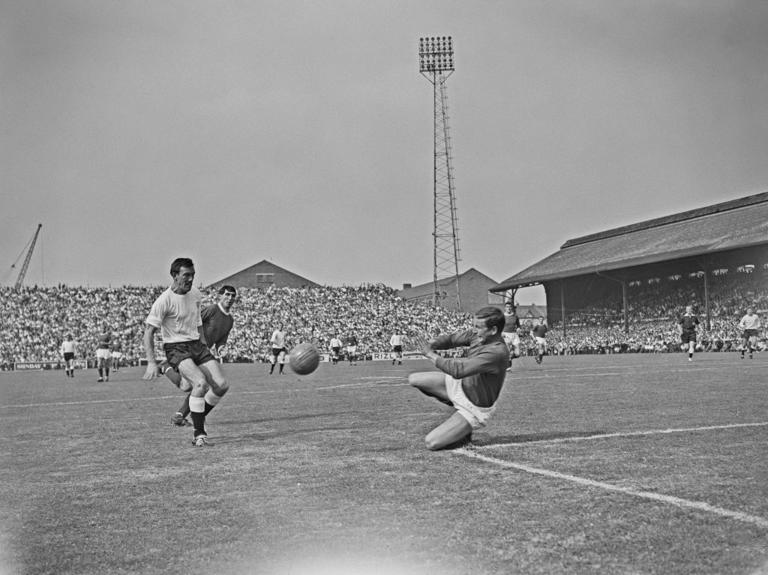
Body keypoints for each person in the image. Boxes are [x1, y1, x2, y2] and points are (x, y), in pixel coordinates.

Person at [142, 257, 230, 447]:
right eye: (186, 275)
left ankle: (197, 414)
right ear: (174, 276)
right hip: (176, 348)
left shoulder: (196, 294)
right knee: (200, 384)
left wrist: (205, 345)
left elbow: (198, 323)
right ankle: (199, 434)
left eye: (193, 275)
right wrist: (150, 362)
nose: (190, 279)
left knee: (221, 385)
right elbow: (148, 332)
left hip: (196, 344)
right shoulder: (163, 301)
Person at [409, 306, 509, 450]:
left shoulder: (497, 352)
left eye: (479, 327)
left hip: (474, 407)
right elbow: (452, 339)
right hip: (460, 386)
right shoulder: (478, 336)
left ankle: (463, 433)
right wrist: (432, 343)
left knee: (431, 442)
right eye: (474, 325)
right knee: (414, 379)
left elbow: (458, 370)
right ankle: (455, 408)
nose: (474, 330)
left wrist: (429, 353)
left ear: (493, 330)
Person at [163, 285, 238, 426]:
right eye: (227, 294)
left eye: (233, 296)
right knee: (199, 385)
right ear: (220, 296)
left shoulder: (230, 320)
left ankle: (181, 416)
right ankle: (193, 418)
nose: (230, 298)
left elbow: (222, 340)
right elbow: (193, 321)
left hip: (202, 354)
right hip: (191, 348)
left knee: (190, 386)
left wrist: (221, 348)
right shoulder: (212, 310)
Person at [501, 301, 522, 370]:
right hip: (505, 335)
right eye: (507, 307)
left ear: (512, 308)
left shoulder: (515, 316)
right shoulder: (502, 316)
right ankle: (508, 364)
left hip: (514, 335)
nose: (508, 308)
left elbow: (518, 325)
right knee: (508, 350)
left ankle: (508, 358)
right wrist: (501, 332)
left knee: (518, 354)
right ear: (505, 308)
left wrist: (518, 328)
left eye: (510, 307)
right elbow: (498, 326)